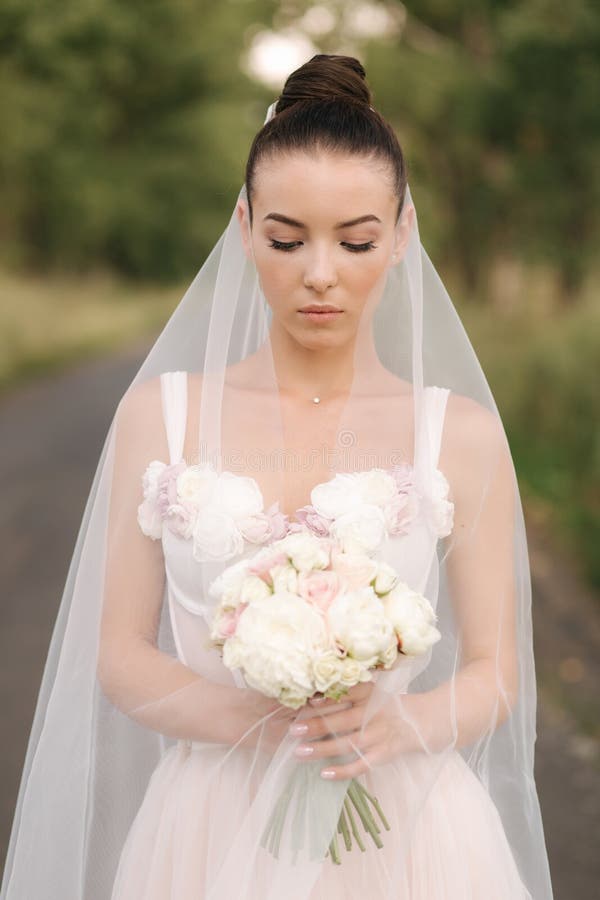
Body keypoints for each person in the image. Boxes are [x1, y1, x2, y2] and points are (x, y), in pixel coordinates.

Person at [1, 54, 554, 899]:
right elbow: (119, 654)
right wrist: (263, 722)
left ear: (403, 233)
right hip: (207, 822)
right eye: (287, 239)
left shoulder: (463, 436)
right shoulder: (162, 415)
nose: (320, 273)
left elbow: (496, 675)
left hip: (410, 827)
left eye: (357, 240)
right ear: (245, 226)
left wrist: (396, 723)